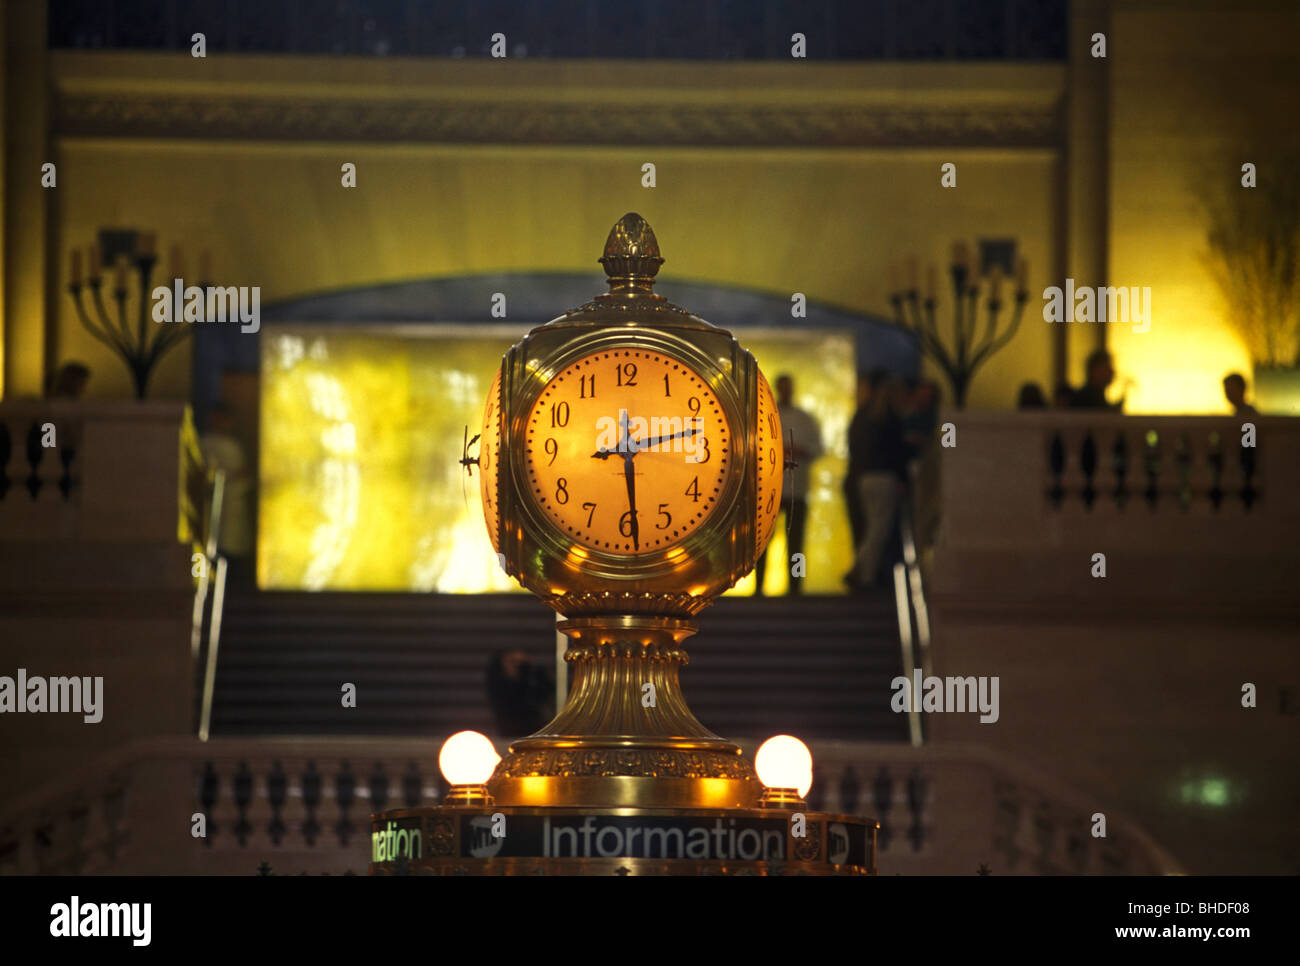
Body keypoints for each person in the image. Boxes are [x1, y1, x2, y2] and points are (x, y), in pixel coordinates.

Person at [756, 374, 823, 596]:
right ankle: (759, 586)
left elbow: (818, 448)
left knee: (796, 543)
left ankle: (796, 587)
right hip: (770, 489)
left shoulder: (804, 418)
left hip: (796, 489)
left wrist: (801, 451)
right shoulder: (765, 417)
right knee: (763, 541)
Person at [846, 377, 908, 592]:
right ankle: (863, 572)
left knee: (873, 527)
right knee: (879, 529)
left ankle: (862, 570)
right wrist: (902, 479)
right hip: (884, 477)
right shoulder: (891, 420)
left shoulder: (864, 417)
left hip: (866, 478)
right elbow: (897, 453)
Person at [199, 403, 254, 585]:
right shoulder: (204, 444)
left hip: (232, 506)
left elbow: (242, 474)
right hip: (208, 506)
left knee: (231, 550)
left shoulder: (234, 447)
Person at [486, 649, 553, 737]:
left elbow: (546, 692)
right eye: (512, 662)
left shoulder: (532, 679)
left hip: (533, 725)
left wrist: (533, 671)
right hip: (509, 727)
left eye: (519, 663)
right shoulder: (499, 683)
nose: (517, 666)